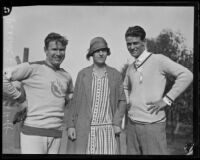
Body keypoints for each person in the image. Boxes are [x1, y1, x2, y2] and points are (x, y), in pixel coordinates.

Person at [123, 26, 193, 155]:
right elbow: (125, 87)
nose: (132, 47)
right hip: (132, 124)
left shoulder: (158, 60)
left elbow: (187, 75)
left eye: (135, 43)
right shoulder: (130, 67)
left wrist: (167, 100)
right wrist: (129, 102)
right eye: (129, 44)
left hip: (152, 124)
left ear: (144, 42)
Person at [3, 32, 73, 154]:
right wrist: (20, 99)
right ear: (45, 50)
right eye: (54, 49)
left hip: (56, 134)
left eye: (62, 50)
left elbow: (69, 97)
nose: (58, 53)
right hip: (33, 133)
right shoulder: (32, 67)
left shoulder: (66, 76)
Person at [66, 37, 127, 154]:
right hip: (86, 130)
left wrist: (117, 122)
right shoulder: (82, 74)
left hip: (108, 130)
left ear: (107, 53)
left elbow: (122, 100)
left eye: (103, 50)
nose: (100, 53)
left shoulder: (115, 75)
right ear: (91, 54)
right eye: (97, 50)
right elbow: (74, 102)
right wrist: (71, 125)